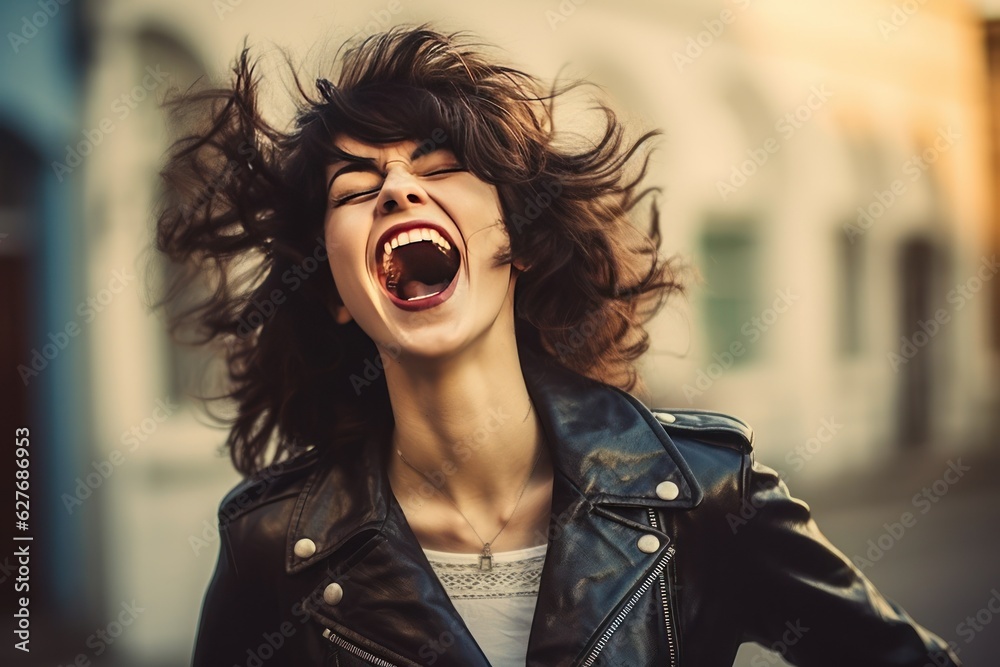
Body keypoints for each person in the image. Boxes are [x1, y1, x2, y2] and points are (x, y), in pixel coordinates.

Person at [155, 26, 962, 667]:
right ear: (335, 291)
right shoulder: (272, 550)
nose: (397, 189)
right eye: (357, 188)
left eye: (441, 167)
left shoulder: (703, 496)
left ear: (522, 242)